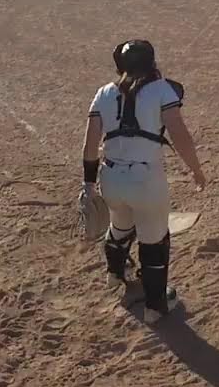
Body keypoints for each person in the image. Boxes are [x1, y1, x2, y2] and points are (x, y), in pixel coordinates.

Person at [82, 40, 206, 324]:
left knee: (121, 224)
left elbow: (90, 147)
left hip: (110, 178)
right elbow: (180, 136)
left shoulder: (103, 93)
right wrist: (196, 171)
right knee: (154, 240)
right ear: (151, 63)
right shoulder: (162, 89)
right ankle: (155, 305)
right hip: (146, 180)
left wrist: (88, 185)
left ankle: (116, 274)